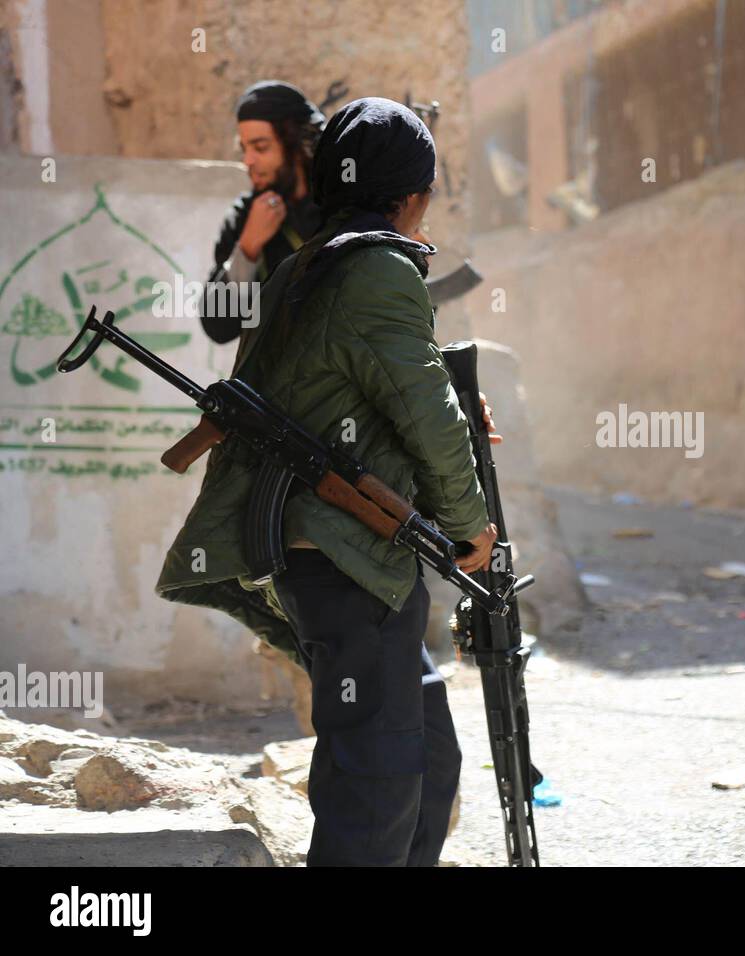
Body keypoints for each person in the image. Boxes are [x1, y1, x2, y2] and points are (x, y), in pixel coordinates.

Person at [157, 97, 501, 865]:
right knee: (373, 786)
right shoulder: (375, 266)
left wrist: (445, 397)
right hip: (346, 559)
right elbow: (423, 412)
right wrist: (473, 527)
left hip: (332, 559)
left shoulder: (305, 269)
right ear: (411, 195)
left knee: (423, 763)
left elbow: (354, 386)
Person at [201, 80, 327, 351]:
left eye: (260, 148)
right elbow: (218, 326)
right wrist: (247, 249)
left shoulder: (341, 208)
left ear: (296, 145)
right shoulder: (243, 218)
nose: (248, 161)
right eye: (245, 149)